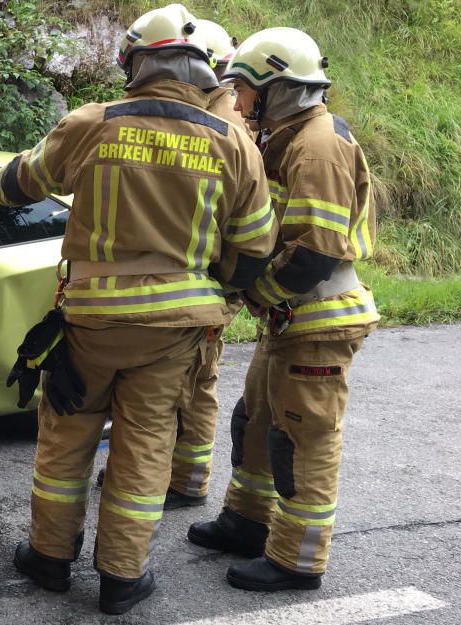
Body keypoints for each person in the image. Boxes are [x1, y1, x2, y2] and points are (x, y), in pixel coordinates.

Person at [0, 4, 276, 614]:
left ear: (134, 62)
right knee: (145, 445)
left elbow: (19, 184)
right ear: (205, 70)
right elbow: (254, 248)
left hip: (91, 322)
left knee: (67, 437)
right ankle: (121, 578)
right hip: (176, 330)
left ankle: (50, 558)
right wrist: (209, 287)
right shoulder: (234, 143)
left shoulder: (94, 122)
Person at [186, 27, 378, 592]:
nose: (239, 102)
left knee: (302, 443)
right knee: (258, 424)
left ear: (279, 90)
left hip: (316, 317)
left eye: (245, 91)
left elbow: (316, 249)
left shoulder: (318, 146)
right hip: (291, 318)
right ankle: (247, 523)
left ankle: (297, 560)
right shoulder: (289, 137)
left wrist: (253, 295)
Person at [165, 18, 248, 510]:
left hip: (211, 280)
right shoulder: (210, 117)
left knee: (194, 381)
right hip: (202, 277)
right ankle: (170, 468)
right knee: (186, 379)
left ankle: (186, 480)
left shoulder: (222, 126)